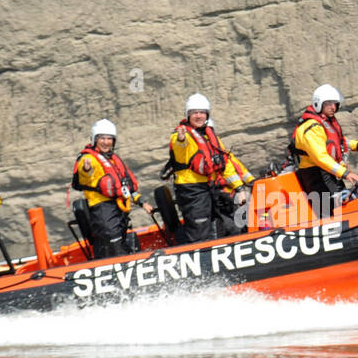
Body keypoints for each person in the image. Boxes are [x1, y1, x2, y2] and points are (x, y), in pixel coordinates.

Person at [168, 94, 253, 242]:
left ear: (207, 114)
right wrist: (181, 139)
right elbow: (180, 149)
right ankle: (200, 258)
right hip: (191, 191)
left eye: (202, 112)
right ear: (188, 115)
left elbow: (225, 164)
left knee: (217, 226)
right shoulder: (181, 135)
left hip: (208, 189)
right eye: (195, 112)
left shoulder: (211, 136)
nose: (199, 116)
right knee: (200, 231)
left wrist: (239, 188)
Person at [291, 84, 358, 218]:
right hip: (316, 175)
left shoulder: (326, 123)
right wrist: (346, 173)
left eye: (335, 104)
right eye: (329, 103)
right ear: (319, 103)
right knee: (334, 209)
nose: (333, 107)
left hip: (328, 173)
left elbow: (338, 142)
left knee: (348, 198)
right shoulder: (312, 127)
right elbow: (320, 157)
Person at [72, 119, 154, 257]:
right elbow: (84, 173)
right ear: (95, 140)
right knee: (113, 243)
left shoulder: (114, 160)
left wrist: (142, 202)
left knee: (121, 241)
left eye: (109, 139)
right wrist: (86, 169)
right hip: (102, 210)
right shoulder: (88, 159)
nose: (106, 142)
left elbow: (127, 187)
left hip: (118, 210)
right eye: (102, 138)